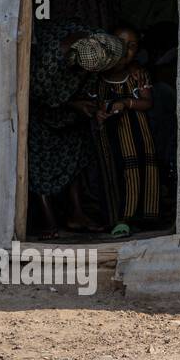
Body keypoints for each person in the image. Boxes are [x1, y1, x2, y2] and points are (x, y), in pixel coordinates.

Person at [29, 22, 125, 238]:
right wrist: (74, 104)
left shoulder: (95, 39)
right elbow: (34, 96)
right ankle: (50, 223)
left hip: (70, 114)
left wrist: (87, 102)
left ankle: (77, 214)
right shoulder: (48, 63)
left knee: (76, 159)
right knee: (38, 166)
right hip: (42, 114)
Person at [84, 25, 162, 237]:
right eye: (119, 44)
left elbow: (147, 103)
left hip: (137, 136)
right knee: (111, 174)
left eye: (132, 46)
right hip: (108, 138)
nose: (125, 51)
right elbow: (89, 104)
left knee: (137, 171)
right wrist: (99, 113)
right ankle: (116, 219)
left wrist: (125, 103)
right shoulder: (96, 77)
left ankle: (138, 218)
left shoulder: (138, 75)